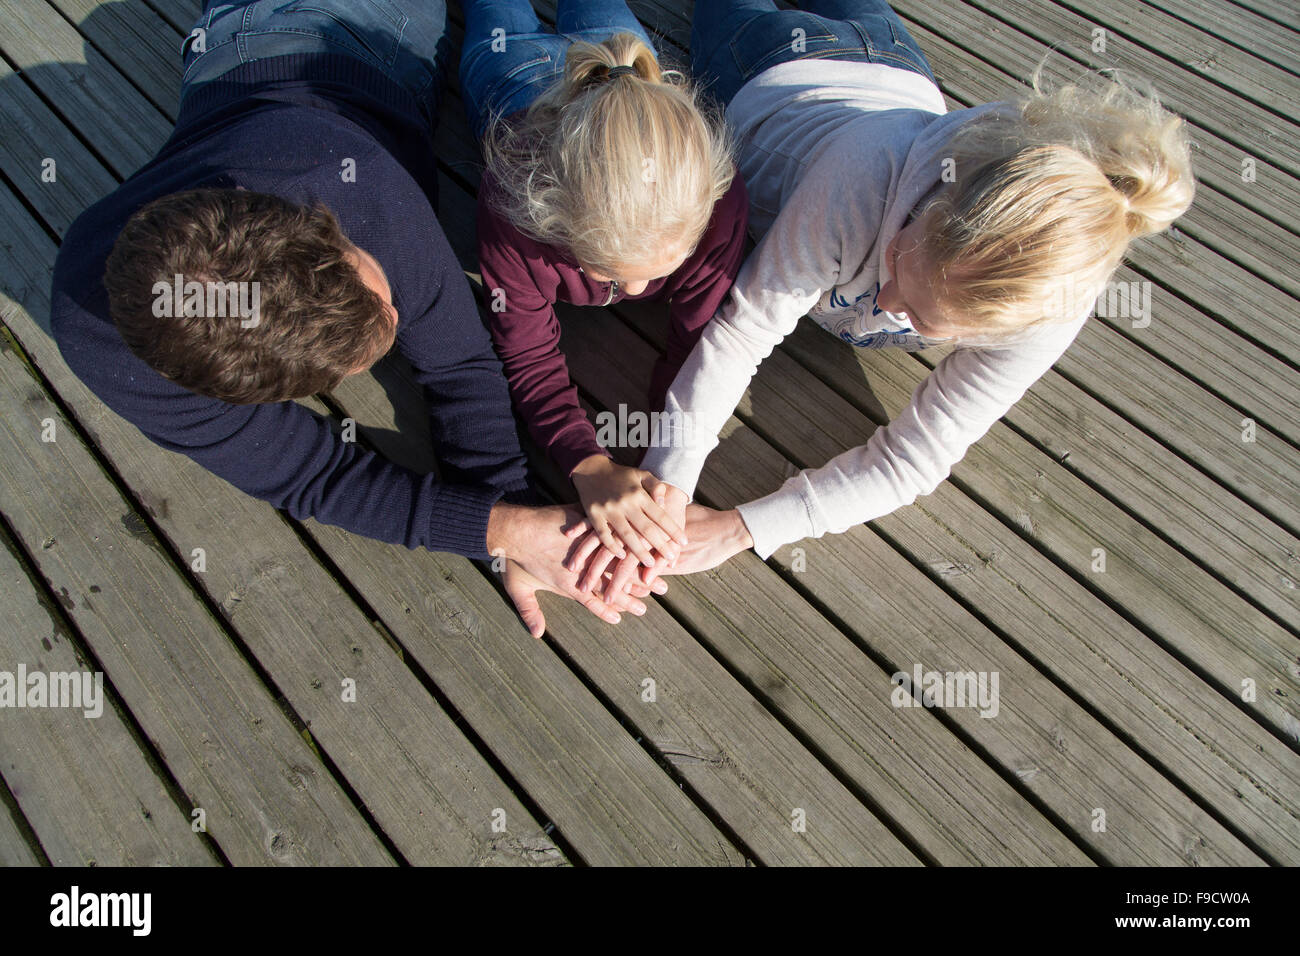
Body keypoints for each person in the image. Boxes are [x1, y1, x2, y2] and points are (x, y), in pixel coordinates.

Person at [49, 0, 658, 637]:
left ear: (326, 226)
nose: (402, 313)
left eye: (379, 287)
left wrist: (516, 511)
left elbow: (460, 365)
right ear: (237, 393)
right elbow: (314, 474)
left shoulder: (362, 192)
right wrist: (509, 529)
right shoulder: (99, 336)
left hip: (352, 37)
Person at [574, 0, 1195, 591]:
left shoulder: (1051, 299)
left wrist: (745, 528)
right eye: (895, 259)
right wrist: (665, 492)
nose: (887, 302)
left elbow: (915, 459)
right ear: (937, 204)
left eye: (923, 319)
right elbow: (743, 333)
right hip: (775, 72)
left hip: (899, 72)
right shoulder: (861, 179)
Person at [459, 0, 749, 571]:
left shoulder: (718, 199)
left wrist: (663, 470)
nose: (641, 286)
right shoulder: (513, 205)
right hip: (512, 78)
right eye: (611, 273)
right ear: (553, 221)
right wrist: (586, 463)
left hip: (620, 73)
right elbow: (529, 353)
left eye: (665, 267)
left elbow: (696, 344)